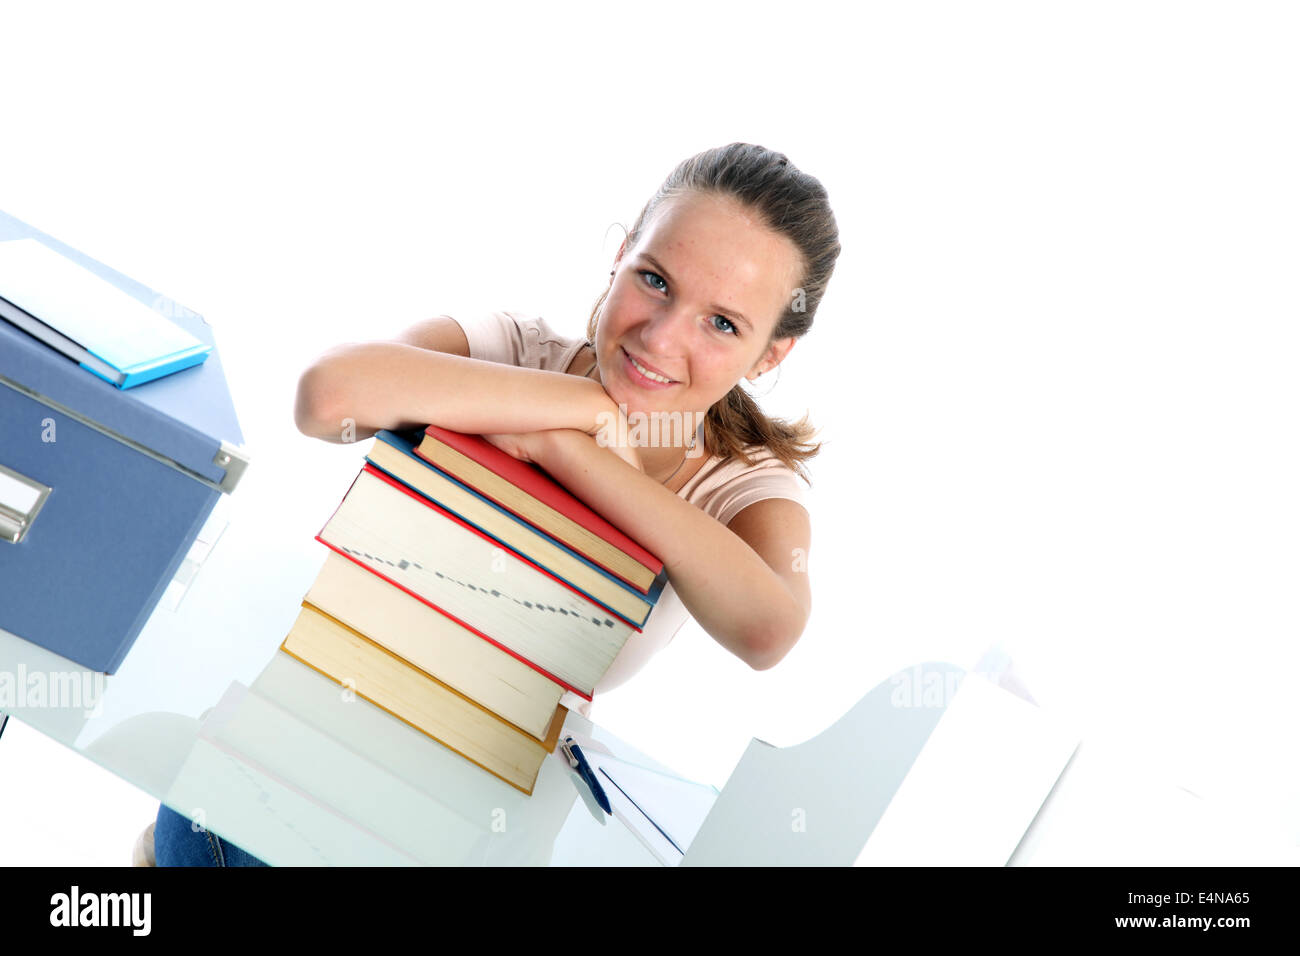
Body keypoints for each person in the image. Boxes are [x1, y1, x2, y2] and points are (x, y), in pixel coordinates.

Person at [144, 141, 840, 865]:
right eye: (656, 280)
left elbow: (769, 631)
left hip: (469, 824)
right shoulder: (512, 349)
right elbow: (329, 399)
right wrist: (581, 404)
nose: (662, 337)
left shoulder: (741, 486)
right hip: (282, 782)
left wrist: (567, 450)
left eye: (723, 324)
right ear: (623, 251)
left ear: (771, 354)